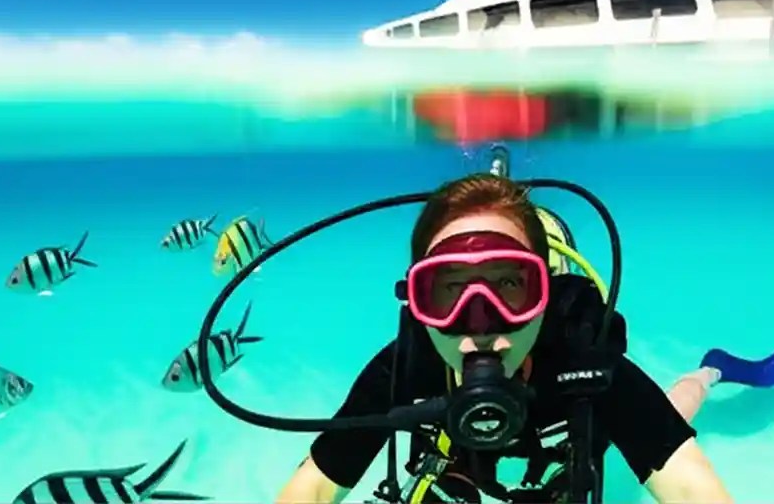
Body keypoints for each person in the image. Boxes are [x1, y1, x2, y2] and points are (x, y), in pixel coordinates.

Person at [276, 173, 735, 503]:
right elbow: (315, 487)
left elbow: (692, 488)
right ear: (418, 302)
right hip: (462, 466)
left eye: (510, 285)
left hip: (573, 445)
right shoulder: (403, 369)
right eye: (450, 290)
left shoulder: (584, 359)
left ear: (546, 292)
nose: (481, 326)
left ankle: (710, 371)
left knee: (668, 413)